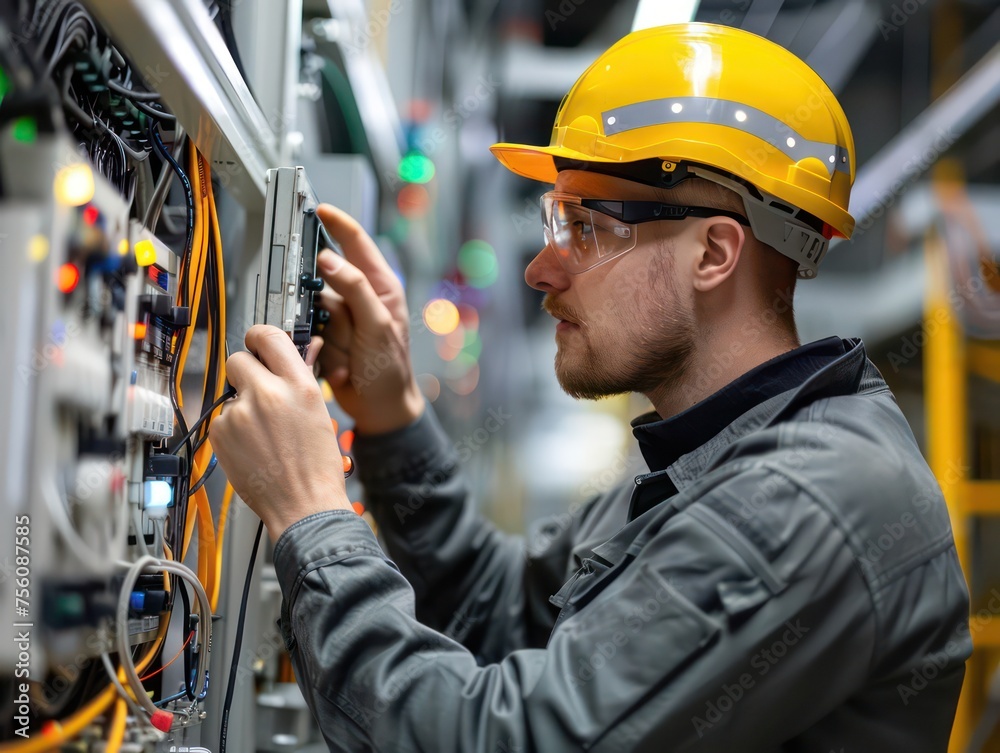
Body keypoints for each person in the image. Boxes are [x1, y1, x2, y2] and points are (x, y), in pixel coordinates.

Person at [211, 23, 971, 752]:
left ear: (713, 252)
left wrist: (311, 515)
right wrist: (390, 412)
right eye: (555, 223)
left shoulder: (806, 500)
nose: (540, 269)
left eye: (586, 228)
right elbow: (495, 610)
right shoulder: (710, 462)